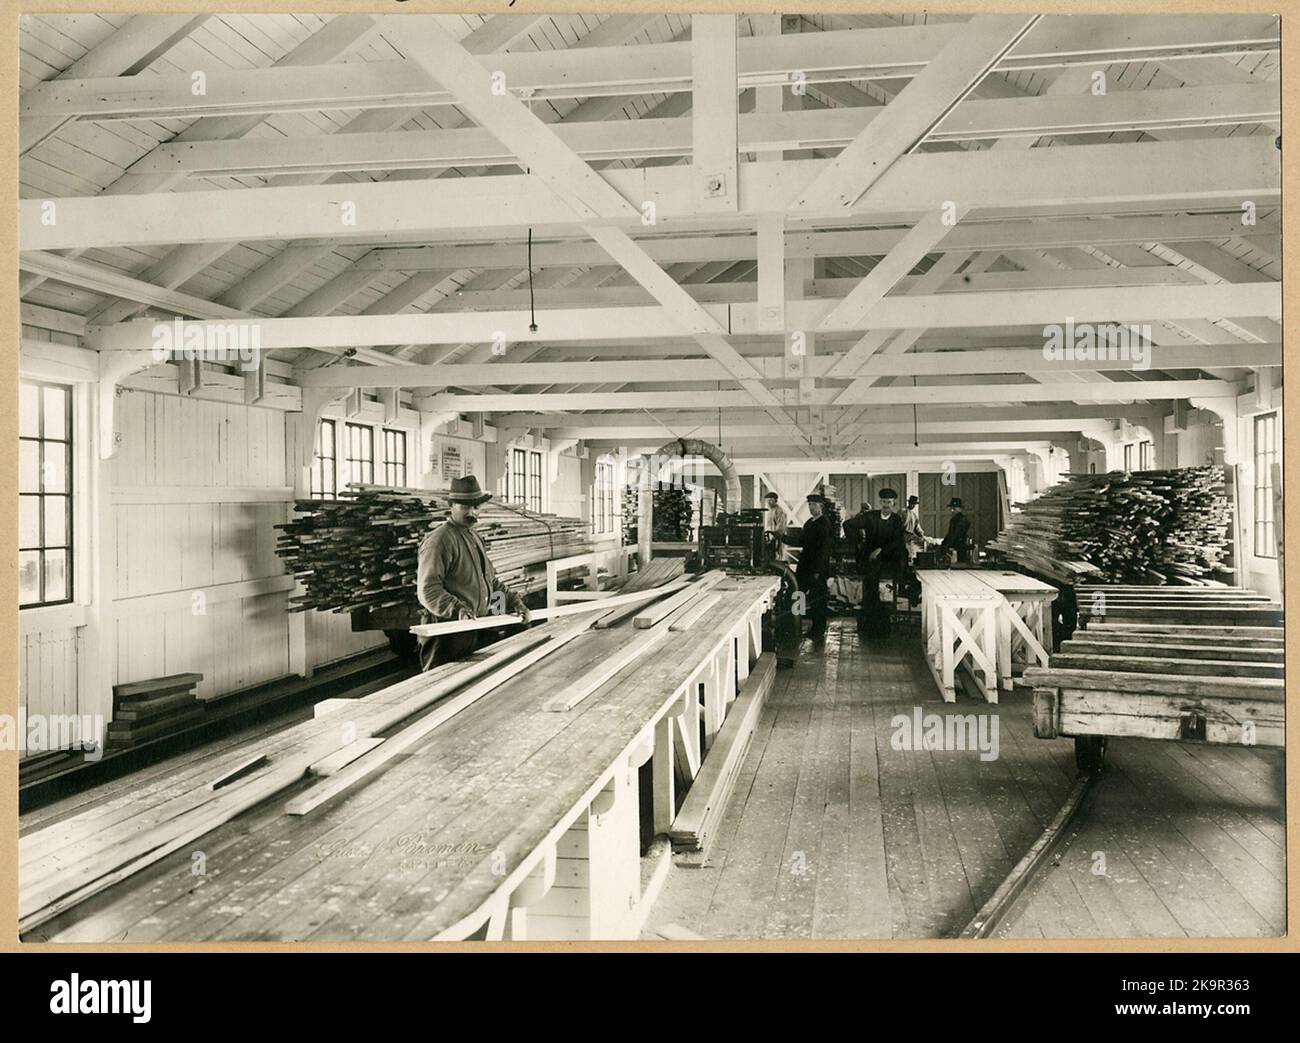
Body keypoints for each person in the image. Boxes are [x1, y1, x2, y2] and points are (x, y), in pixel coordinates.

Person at [416, 474, 530, 671]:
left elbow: (490, 583)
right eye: (465, 506)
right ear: (451, 506)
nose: (472, 512)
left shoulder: (475, 537)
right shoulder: (440, 541)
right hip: (447, 633)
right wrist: (457, 610)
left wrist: (513, 602)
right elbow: (428, 589)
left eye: (476, 507)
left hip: (476, 628)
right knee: (442, 691)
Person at [844, 488, 907, 637]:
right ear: (880, 502)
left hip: (889, 556)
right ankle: (870, 625)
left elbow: (898, 541)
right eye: (884, 502)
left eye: (889, 502)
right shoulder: (870, 516)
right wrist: (858, 544)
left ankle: (883, 621)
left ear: (894, 503)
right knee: (870, 587)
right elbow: (848, 524)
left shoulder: (897, 520)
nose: (886, 505)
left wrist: (881, 550)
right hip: (871, 559)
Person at [794, 493, 833, 642]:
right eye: (809, 505)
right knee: (797, 594)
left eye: (814, 505)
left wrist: (818, 571)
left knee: (818, 600)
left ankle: (818, 630)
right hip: (804, 565)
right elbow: (801, 541)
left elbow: (824, 550)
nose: (811, 508)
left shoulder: (824, 523)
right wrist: (782, 537)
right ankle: (795, 625)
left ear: (821, 506)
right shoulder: (809, 522)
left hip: (817, 567)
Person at [941, 496, 973, 565]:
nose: (952, 511)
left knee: (960, 565)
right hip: (954, 547)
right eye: (951, 509)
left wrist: (948, 545)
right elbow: (950, 534)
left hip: (960, 548)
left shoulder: (963, 520)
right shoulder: (954, 520)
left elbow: (956, 535)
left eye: (954, 509)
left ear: (960, 509)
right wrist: (943, 543)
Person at [763, 491, 789, 561]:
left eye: (771, 500)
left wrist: (775, 535)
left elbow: (781, 527)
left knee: (778, 556)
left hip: (778, 538)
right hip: (770, 538)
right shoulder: (769, 511)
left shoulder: (780, 511)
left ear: (776, 501)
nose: (769, 502)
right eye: (767, 500)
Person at [903, 494, 926, 562]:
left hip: (911, 538)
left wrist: (921, 534)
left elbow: (917, 527)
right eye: (911, 503)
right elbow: (898, 526)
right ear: (909, 503)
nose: (913, 505)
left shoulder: (914, 515)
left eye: (914, 504)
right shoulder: (902, 512)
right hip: (903, 537)